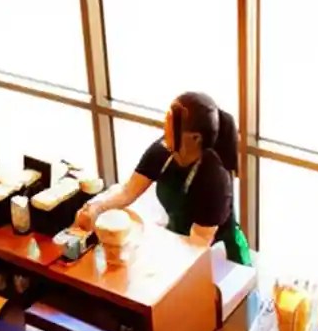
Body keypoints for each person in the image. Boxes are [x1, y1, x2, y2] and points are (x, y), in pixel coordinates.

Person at [76, 92, 252, 265]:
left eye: (171, 124)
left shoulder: (215, 180)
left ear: (196, 138)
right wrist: (96, 208)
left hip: (218, 256)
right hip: (179, 244)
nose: (164, 128)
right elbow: (127, 192)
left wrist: (149, 247)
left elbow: (199, 244)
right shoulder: (162, 151)